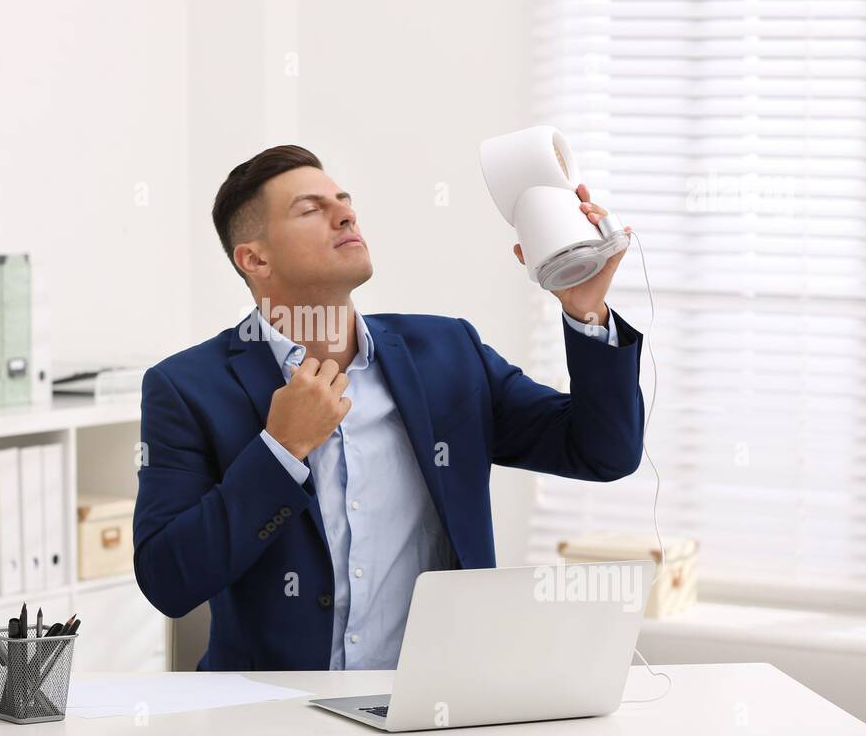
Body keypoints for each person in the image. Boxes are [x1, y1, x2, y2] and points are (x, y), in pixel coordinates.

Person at [133, 145, 644, 671]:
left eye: (344, 201)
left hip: (433, 711)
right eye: (311, 209)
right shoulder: (186, 387)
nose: (346, 214)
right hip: (271, 721)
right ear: (254, 259)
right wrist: (280, 450)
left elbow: (604, 453)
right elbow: (169, 581)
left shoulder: (449, 353)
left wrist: (587, 312)